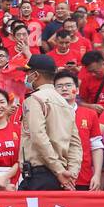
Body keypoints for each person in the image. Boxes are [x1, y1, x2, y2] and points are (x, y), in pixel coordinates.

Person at [19, 54, 81, 190]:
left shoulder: (35, 99)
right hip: (60, 175)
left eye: (27, 73)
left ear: (35, 75)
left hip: (40, 174)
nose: (26, 77)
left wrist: (59, 171)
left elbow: (38, 136)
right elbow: (75, 144)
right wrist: (71, 174)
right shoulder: (64, 102)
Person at [54, 68, 104, 191]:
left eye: (68, 85)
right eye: (59, 86)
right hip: (55, 178)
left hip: (83, 177)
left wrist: (96, 175)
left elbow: (96, 146)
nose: (64, 89)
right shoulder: (48, 114)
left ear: (76, 90)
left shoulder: (90, 114)